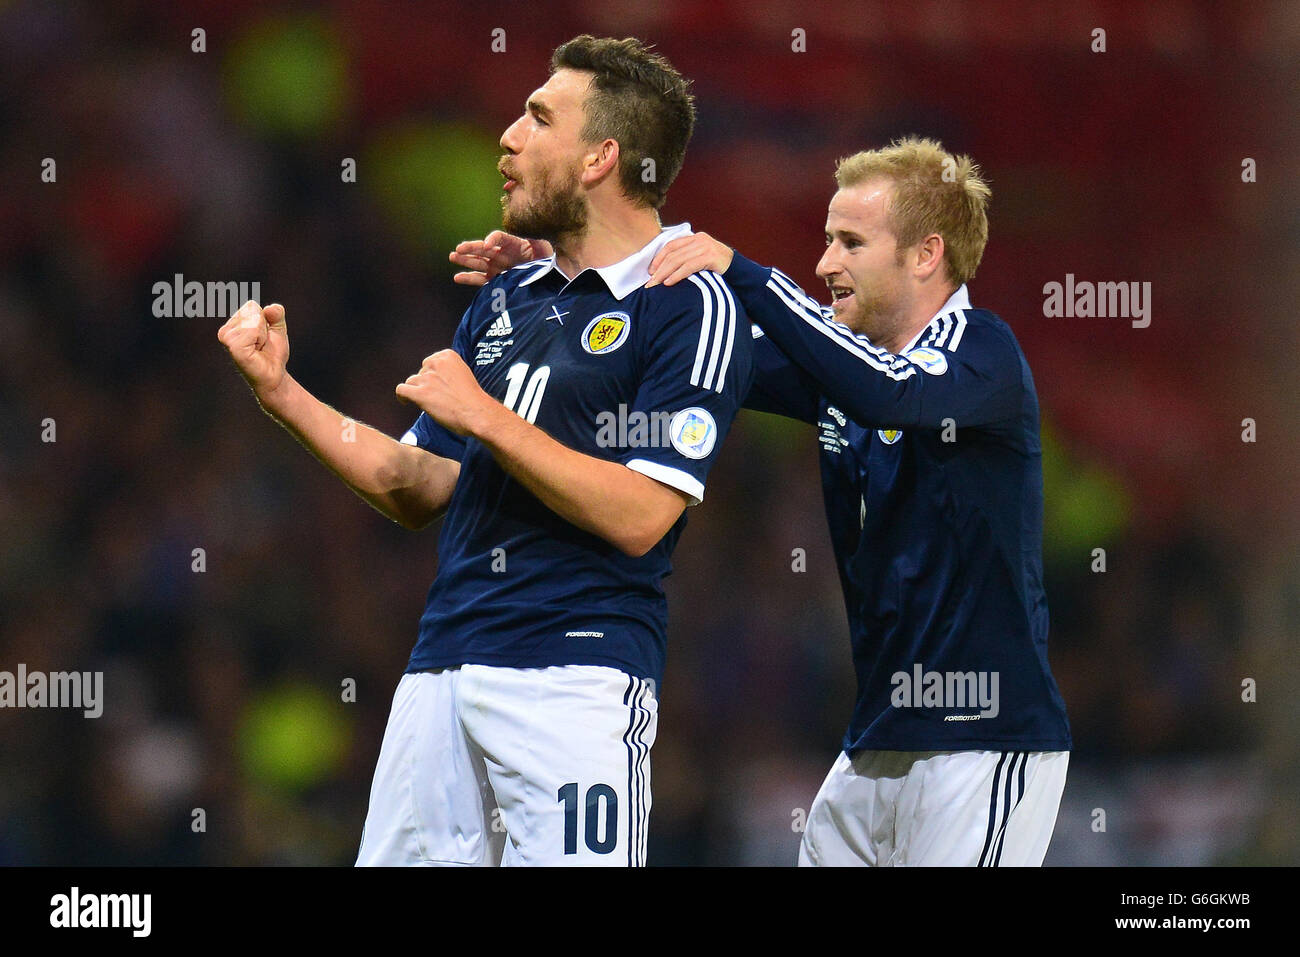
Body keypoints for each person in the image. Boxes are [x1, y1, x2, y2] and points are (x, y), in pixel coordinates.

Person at [455, 137, 1070, 866]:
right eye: (825, 239)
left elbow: (893, 391)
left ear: (925, 254)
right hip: (876, 744)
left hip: (984, 741)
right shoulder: (842, 368)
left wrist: (745, 273)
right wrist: (558, 288)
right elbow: (680, 350)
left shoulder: (983, 354)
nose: (825, 263)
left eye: (850, 241)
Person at [217, 35, 752, 866]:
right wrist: (281, 391)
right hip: (439, 673)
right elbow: (412, 482)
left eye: (539, 118)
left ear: (600, 158)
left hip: (573, 679)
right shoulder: (511, 297)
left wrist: (488, 418)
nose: (507, 136)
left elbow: (645, 513)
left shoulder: (686, 305)